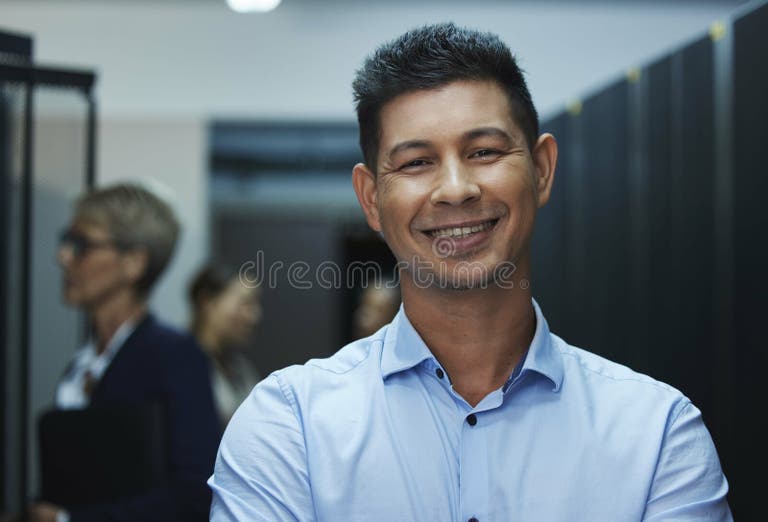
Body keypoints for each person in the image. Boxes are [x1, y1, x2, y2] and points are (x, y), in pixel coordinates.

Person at [209, 23, 731, 520]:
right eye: (416, 162)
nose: (456, 188)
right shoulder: (289, 426)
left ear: (542, 169)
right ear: (371, 199)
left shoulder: (655, 433)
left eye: (483, 151)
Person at [29, 183, 220, 522]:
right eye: (67, 241)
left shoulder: (174, 355)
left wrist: (68, 520)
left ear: (134, 262)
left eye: (82, 245)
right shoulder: (81, 364)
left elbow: (194, 493)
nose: (64, 256)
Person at [188, 263, 262, 427]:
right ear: (207, 302)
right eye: (245, 303)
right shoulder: (181, 364)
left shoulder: (241, 369)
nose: (254, 316)